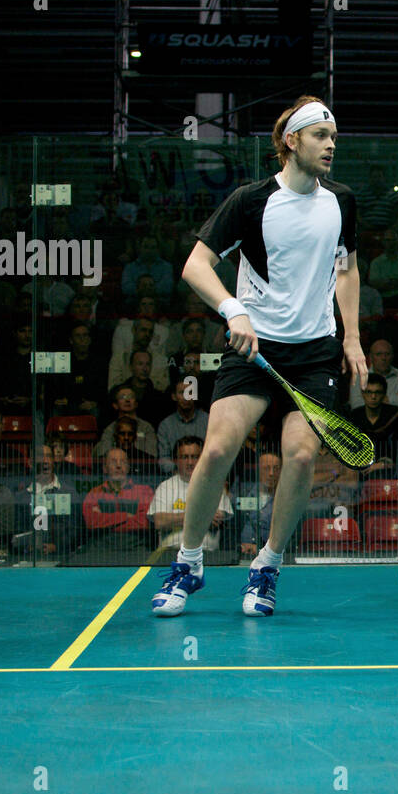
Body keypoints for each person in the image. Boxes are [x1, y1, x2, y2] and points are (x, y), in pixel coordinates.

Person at [151, 95, 367, 617]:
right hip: (254, 349)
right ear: (291, 141)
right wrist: (233, 310)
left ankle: (267, 565)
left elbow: (348, 269)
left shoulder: (342, 202)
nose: (331, 144)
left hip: (314, 355)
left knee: (300, 456)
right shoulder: (250, 201)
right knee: (219, 447)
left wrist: (352, 336)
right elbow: (196, 265)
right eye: (320, 135)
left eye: (334, 136)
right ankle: (189, 562)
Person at [148, 436, 233, 554]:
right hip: (169, 553)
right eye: (184, 457)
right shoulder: (165, 487)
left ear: (203, 459)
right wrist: (202, 515)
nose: (190, 462)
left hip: (207, 554)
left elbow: (216, 522)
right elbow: (159, 522)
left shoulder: (215, 486)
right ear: (175, 460)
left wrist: (176, 519)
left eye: (194, 457)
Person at [78, 446, 154, 561]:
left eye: (123, 462)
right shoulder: (94, 493)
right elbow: (91, 522)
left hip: (136, 552)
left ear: (128, 467)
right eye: (113, 462)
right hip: (100, 553)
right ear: (104, 468)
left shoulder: (144, 491)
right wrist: (126, 516)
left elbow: (144, 522)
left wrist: (105, 521)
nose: (118, 466)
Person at [156, 379, 209, 474]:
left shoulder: (208, 421)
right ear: (174, 396)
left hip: (205, 476)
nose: (186, 397)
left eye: (190, 392)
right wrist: (180, 470)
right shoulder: (165, 425)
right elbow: (164, 459)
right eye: (182, 392)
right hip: (174, 478)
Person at [347, 338, 398, 408]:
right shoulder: (359, 378)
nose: (383, 358)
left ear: (392, 356)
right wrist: (388, 399)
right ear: (371, 357)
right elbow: (356, 405)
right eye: (379, 354)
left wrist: (372, 400)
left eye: (387, 354)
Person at [365, 230, 398, 306]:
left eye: (394, 240)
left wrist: (387, 283)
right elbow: (375, 284)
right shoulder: (376, 262)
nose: (391, 243)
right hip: (383, 299)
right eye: (388, 240)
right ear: (383, 242)